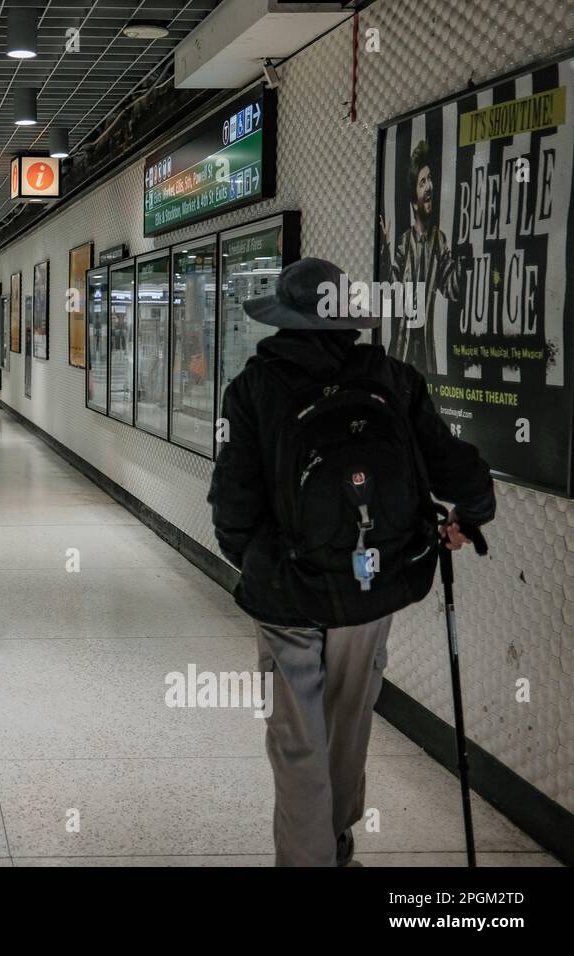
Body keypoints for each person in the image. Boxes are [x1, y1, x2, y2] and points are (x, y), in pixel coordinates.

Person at [208, 257, 495, 868]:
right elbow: (453, 462)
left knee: (297, 738)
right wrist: (470, 515)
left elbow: (231, 508)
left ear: (283, 318)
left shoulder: (254, 388)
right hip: (374, 586)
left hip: (288, 593)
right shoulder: (392, 377)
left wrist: (262, 563)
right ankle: (336, 846)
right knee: (348, 720)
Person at [378, 139, 463, 377]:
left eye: (431, 179)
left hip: (427, 357)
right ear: (413, 199)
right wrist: (384, 249)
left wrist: (466, 255)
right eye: (422, 182)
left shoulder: (440, 240)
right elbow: (388, 289)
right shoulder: (404, 242)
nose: (430, 186)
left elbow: (452, 289)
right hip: (400, 351)